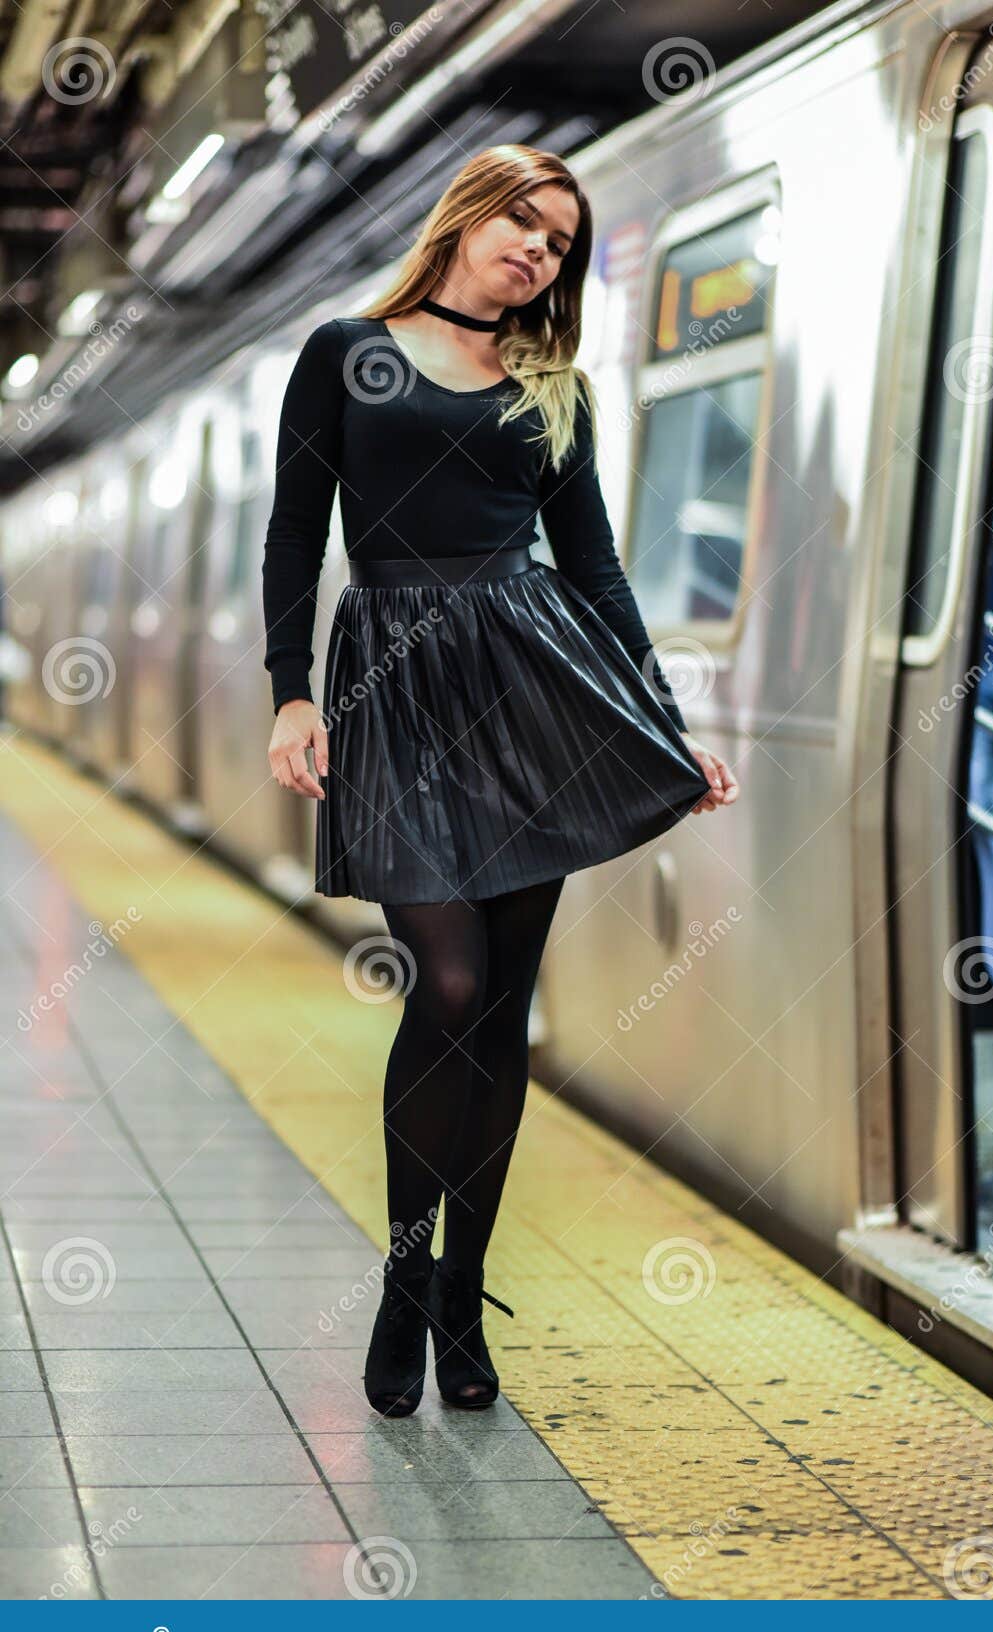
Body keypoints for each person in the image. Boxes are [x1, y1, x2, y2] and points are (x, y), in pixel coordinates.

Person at [261, 144, 740, 1418]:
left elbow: (595, 568)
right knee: (451, 983)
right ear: (466, 218)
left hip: (531, 694)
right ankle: (405, 1276)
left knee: (500, 1009)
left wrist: (666, 721)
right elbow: (294, 533)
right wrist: (291, 693)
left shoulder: (553, 386)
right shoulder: (347, 353)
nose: (537, 248)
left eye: (560, 241)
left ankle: (463, 1295)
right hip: (392, 688)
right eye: (522, 220)